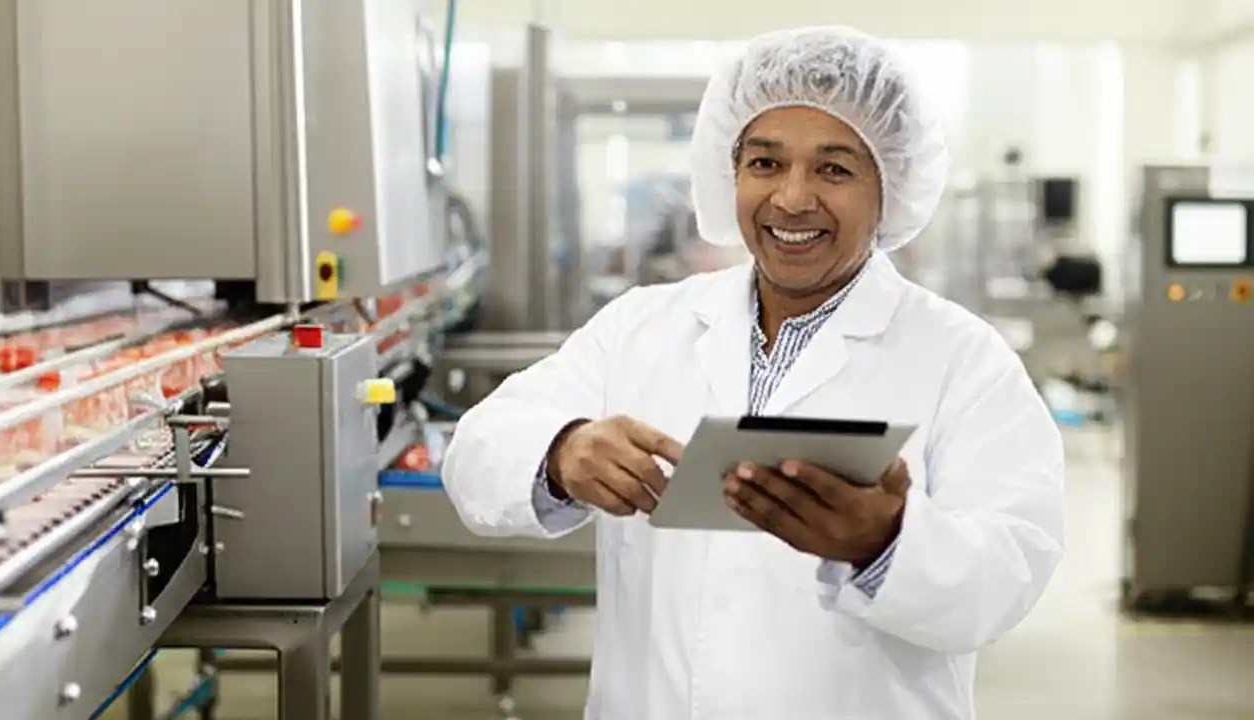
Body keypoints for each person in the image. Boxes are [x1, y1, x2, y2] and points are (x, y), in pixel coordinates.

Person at [443, 25, 1064, 720]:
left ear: (889, 186)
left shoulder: (963, 361)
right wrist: (562, 452)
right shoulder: (642, 327)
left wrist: (886, 544)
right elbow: (477, 448)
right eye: (765, 164)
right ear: (728, 173)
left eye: (834, 169)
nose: (793, 199)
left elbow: (1010, 569)